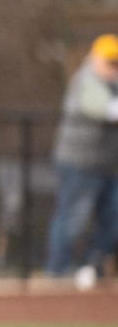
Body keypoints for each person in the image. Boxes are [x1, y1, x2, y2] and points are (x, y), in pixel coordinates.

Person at [44, 33, 118, 287]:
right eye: (110, 62)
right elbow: (107, 110)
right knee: (73, 217)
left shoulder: (113, 84)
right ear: (95, 60)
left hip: (108, 167)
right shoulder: (87, 80)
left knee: (112, 218)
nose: (114, 68)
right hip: (79, 164)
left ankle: (91, 266)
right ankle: (59, 269)